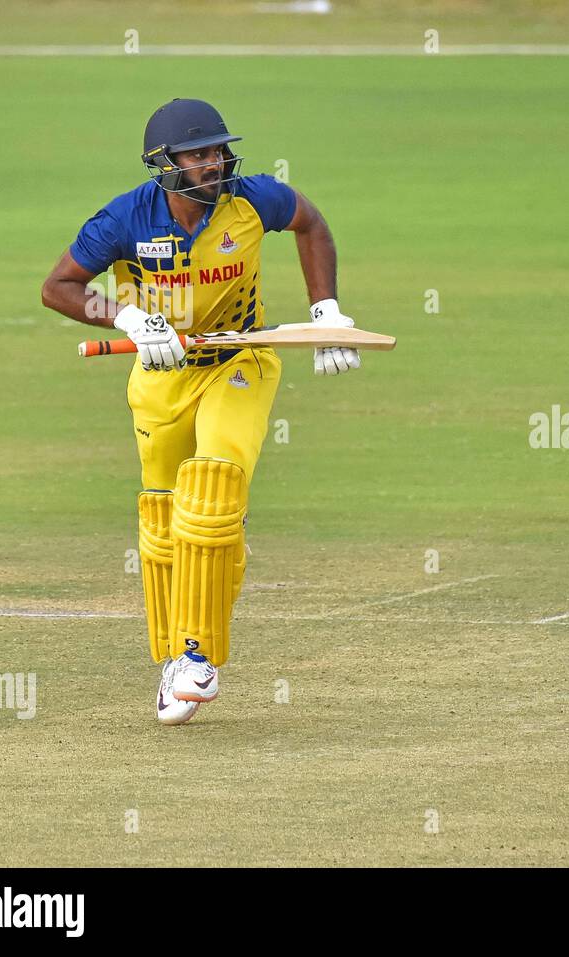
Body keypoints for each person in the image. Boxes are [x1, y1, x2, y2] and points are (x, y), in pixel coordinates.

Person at [41, 98, 362, 726]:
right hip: (161, 375)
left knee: (212, 494)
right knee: (164, 522)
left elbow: (312, 223)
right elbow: (59, 287)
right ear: (165, 164)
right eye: (198, 154)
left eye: (218, 151)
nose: (214, 163)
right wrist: (126, 315)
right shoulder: (125, 218)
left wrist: (325, 310)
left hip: (239, 362)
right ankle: (172, 659)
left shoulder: (253, 199)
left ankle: (197, 655)